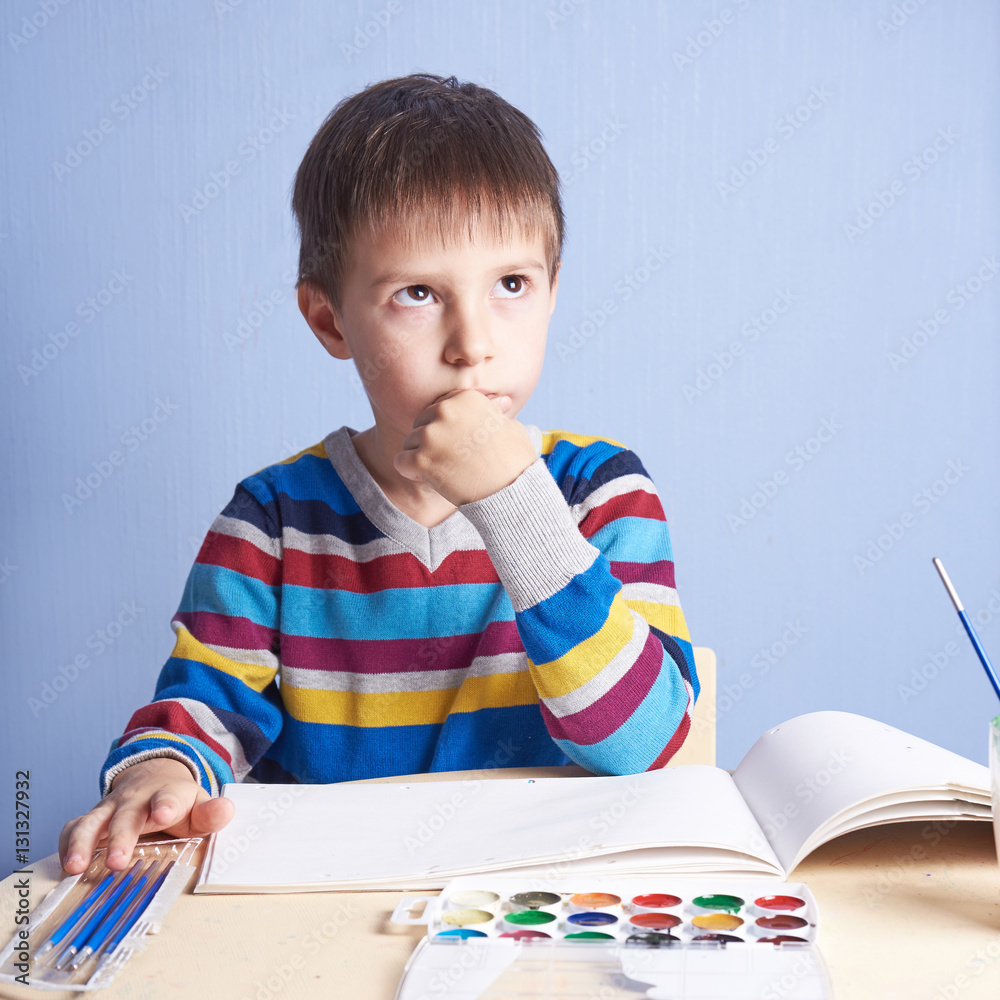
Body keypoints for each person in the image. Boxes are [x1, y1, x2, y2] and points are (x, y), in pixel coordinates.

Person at [59, 72, 698, 875]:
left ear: (552, 291)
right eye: (419, 293)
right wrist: (165, 769)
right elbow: (205, 703)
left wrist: (515, 505)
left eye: (511, 285)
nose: (473, 344)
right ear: (330, 319)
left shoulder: (599, 491)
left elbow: (643, 742)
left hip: (533, 901)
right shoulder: (275, 518)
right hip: (328, 901)